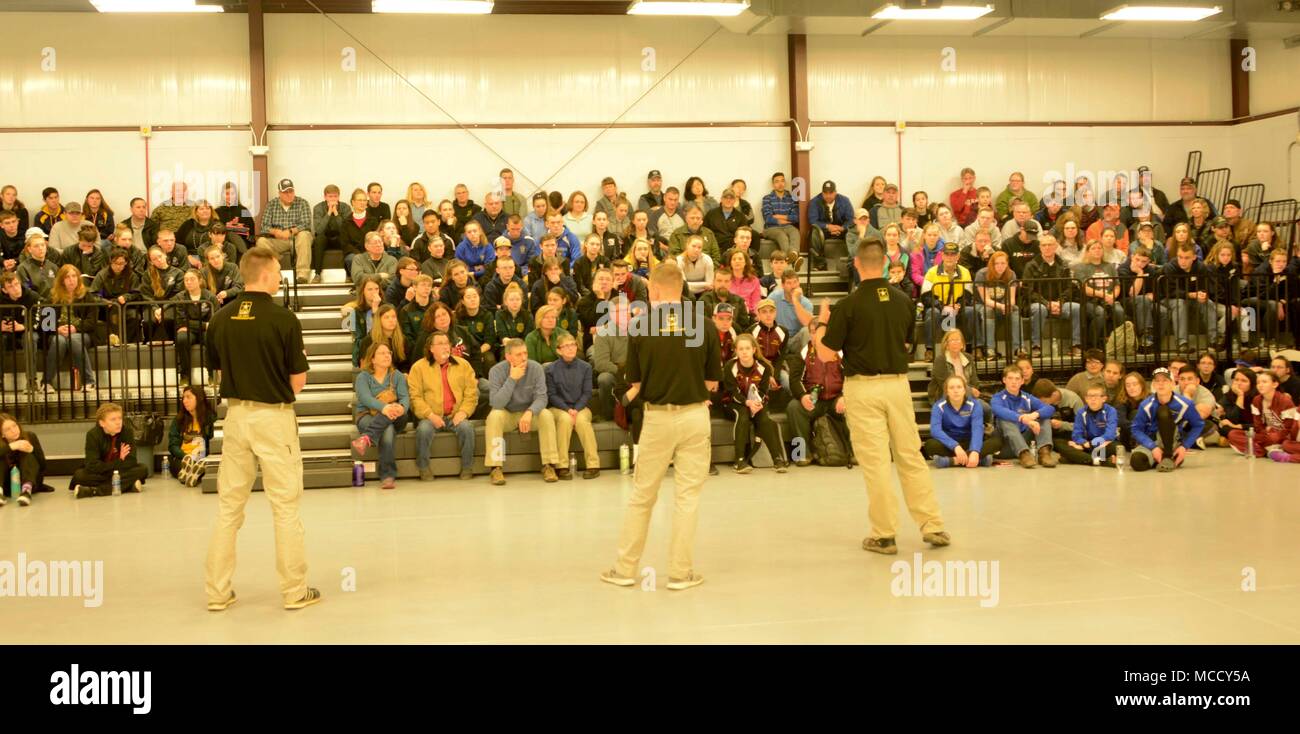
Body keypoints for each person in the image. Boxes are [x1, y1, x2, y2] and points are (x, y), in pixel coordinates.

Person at [815, 238, 949, 556]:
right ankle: (932, 524)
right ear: (885, 265)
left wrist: (822, 320)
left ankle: (884, 534)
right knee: (911, 456)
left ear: (858, 265)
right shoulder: (904, 300)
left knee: (876, 462)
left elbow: (825, 353)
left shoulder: (848, 304)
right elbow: (905, 345)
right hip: (898, 385)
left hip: (863, 387)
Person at [204, 245, 318, 612]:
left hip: (236, 416)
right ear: (266, 274)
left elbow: (217, 369)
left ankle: (217, 593)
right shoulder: (284, 319)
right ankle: (294, 590)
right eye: (278, 271)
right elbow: (297, 379)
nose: (282, 277)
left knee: (228, 507)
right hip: (273, 416)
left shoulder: (219, 318)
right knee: (284, 506)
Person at [601, 261, 720, 590]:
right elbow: (713, 382)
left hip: (656, 418)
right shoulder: (704, 324)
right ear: (682, 288)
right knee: (687, 498)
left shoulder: (640, 326)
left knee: (642, 496)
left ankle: (625, 569)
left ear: (652, 291)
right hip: (695, 416)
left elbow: (634, 382)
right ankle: (681, 574)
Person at [484, 338, 558, 485]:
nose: (524, 357)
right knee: (494, 416)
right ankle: (496, 467)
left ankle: (549, 465)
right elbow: (497, 403)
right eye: (518, 355)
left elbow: (542, 398)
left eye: (525, 353)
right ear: (508, 357)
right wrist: (512, 379)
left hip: (529, 414)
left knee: (546, 414)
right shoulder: (496, 371)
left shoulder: (536, 368)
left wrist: (530, 412)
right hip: (508, 413)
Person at [409, 330, 478, 481]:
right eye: (440, 344)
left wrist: (464, 412)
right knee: (423, 430)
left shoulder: (463, 365)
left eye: (447, 343)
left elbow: (471, 393)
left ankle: (467, 467)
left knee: (467, 428)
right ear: (431, 348)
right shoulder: (418, 368)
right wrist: (430, 415)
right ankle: (423, 467)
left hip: (455, 415)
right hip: (431, 416)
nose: (445, 347)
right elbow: (415, 397)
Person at [784, 317, 849, 466]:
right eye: (812, 332)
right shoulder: (803, 353)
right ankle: (800, 454)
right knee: (793, 408)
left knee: (855, 406)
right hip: (814, 400)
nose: (815, 336)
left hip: (836, 399)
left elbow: (851, 379)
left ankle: (853, 452)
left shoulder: (841, 352)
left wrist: (845, 397)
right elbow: (795, 380)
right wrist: (802, 396)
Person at [722, 332, 789, 474]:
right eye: (741, 349)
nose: (744, 352)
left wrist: (757, 402)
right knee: (743, 414)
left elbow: (764, 390)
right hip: (734, 403)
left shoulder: (764, 367)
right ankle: (739, 460)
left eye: (747, 348)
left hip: (756, 402)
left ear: (753, 349)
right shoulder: (730, 366)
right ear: (736, 351)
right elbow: (732, 392)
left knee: (764, 419)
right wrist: (747, 403)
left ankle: (777, 459)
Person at [350, 342, 410, 490]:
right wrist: (384, 408)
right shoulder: (363, 377)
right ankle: (388, 476)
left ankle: (366, 437)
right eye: (382, 353)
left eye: (388, 353)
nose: (386, 356)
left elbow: (405, 398)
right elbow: (365, 399)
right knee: (387, 430)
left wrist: (401, 408)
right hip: (367, 416)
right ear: (372, 359)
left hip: (397, 416)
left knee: (390, 420)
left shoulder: (397, 376)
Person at [546, 332, 601, 479]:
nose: (571, 348)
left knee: (582, 421)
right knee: (565, 420)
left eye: (573, 344)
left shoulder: (586, 367)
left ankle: (593, 464)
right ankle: (561, 466)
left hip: (581, 407)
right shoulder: (551, 369)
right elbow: (552, 395)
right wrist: (567, 409)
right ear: (558, 350)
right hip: (559, 408)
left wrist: (576, 409)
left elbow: (587, 392)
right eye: (566, 346)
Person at [1130, 367, 1204, 472]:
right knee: (1136, 462)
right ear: (1153, 385)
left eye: (1165, 380)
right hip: (1153, 441)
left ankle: (1169, 456)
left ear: (1173, 384)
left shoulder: (1185, 404)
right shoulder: (1146, 405)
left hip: (1173, 439)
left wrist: (1184, 447)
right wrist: (1153, 447)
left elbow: (1198, 425)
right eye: (1157, 381)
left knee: (1163, 411)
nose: (1161, 384)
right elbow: (1136, 429)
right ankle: (1161, 458)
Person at [41, 264, 99, 393]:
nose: (71, 280)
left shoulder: (86, 296)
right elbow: (46, 323)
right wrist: (57, 329)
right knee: (59, 341)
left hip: (81, 333)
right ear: (62, 280)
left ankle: (89, 382)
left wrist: (75, 328)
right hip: (58, 334)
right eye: (67, 277)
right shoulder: (52, 297)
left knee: (74, 339)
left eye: (74, 276)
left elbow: (92, 322)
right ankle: (46, 382)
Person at [69, 402, 147, 499]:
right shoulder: (93, 435)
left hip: (114, 471)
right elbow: (92, 465)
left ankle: (94, 491)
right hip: (104, 473)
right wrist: (120, 460)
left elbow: (131, 461)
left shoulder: (127, 432)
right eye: (113, 419)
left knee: (143, 469)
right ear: (102, 423)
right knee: (79, 476)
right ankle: (126, 486)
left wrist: (115, 466)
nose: (118, 422)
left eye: (120, 418)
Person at [1024, 234, 1082, 358]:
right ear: (1040, 248)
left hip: (1060, 304)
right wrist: (1046, 303)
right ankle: (1036, 346)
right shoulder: (1031, 265)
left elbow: (1069, 287)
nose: (1047, 247)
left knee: (1076, 308)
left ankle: (1076, 345)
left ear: (1056, 246)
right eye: (1044, 245)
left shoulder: (1064, 265)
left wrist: (1060, 302)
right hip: (1039, 304)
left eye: (1050, 245)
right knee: (1038, 309)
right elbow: (1028, 290)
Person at [924, 375, 999, 468]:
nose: (956, 391)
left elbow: (977, 429)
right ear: (947, 391)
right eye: (951, 388)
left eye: (959, 387)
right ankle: (980, 460)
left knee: (997, 441)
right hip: (949, 443)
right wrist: (956, 447)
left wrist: (975, 450)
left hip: (970, 441)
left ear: (964, 390)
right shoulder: (938, 406)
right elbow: (935, 430)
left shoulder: (975, 404)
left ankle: (951, 461)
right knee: (930, 445)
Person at [991, 364, 1057, 468]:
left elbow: (1050, 408)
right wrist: (1023, 418)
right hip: (1006, 444)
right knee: (1005, 420)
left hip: (1025, 439)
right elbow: (999, 410)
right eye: (1010, 378)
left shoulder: (1027, 397)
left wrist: (1034, 415)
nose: (1014, 381)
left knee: (1044, 417)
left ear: (1022, 381)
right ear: (1004, 380)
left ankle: (1044, 453)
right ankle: (1024, 454)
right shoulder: (997, 398)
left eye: (1017, 378)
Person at [256, 178, 314, 283]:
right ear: (279, 193)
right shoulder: (271, 205)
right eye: (285, 192)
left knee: (305, 235)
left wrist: (291, 231)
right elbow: (264, 226)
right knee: (261, 242)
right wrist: (275, 232)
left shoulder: (302, 203)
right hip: (279, 240)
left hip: (297, 238)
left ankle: (302, 275)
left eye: (291, 191)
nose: (289, 194)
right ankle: (275, 276)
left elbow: (306, 224)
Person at [168, 268, 218, 386]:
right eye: (186, 280)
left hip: (205, 331)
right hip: (192, 330)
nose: (189, 282)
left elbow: (214, 321)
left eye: (192, 279)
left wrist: (190, 324)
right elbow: (181, 321)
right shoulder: (180, 297)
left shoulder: (210, 297)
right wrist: (204, 325)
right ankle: (184, 376)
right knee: (181, 338)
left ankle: (212, 375)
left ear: (200, 280)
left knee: (210, 338)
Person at [1053, 385, 1119, 467]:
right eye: (1090, 396)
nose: (1093, 399)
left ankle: (1079, 458)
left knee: (1116, 447)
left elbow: (1110, 434)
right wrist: (1082, 443)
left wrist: (1090, 444)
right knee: (1058, 443)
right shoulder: (1081, 412)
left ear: (1104, 399)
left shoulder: (1111, 411)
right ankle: (1101, 461)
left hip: (1103, 444)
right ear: (1086, 399)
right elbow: (1076, 434)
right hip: (1086, 444)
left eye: (1096, 396)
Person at [973, 250, 1020, 360]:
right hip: (982, 305)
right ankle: (990, 349)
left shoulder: (1011, 274)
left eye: (1003, 263)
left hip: (1003, 305)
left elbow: (1012, 299)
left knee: (1015, 309)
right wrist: (1001, 306)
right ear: (992, 264)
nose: (1000, 266)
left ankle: (1018, 348)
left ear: (1007, 264)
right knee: (988, 310)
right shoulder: (982, 274)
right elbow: (986, 299)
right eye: (997, 263)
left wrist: (1007, 306)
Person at [169, 385, 216, 487]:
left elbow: (214, 445)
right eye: (183, 398)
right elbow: (173, 445)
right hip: (183, 457)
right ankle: (191, 472)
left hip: (202, 456)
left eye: (188, 397)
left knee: (207, 463)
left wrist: (199, 456)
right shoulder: (178, 420)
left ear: (199, 398)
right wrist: (185, 456)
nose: (184, 401)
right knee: (175, 464)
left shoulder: (210, 419)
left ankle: (188, 473)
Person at [0, 412, 49, 507]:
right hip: (7, 486)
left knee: (28, 455)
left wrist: (32, 450)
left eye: (14, 426)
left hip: (29, 481)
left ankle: (26, 492)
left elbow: (43, 466)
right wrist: (10, 447)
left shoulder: (30, 436)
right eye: (7, 429)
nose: (13, 431)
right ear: (2, 435)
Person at [761, 172, 800, 257]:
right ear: (773, 184)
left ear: (785, 182)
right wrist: (787, 220)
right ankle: (789, 259)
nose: (780, 184)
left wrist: (778, 216)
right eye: (777, 181)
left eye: (782, 181)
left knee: (795, 232)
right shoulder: (767, 198)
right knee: (781, 235)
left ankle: (793, 254)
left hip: (788, 227)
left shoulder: (792, 198)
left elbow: (796, 218)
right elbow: (768, 218)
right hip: (771, 228)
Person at [1217, 367, 1257, 447]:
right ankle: (1237, 440)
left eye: (1244, 381)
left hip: (1252, 428)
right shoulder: (1229, 395)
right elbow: (1232, 419)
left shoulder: (1257, 398)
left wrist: (1240, 395)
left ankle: (1235, 441)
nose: (1238, 383)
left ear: (1252, 384)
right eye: (1236, 380)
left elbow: (1258, 424)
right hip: (1235, 429)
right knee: (1223, 428)